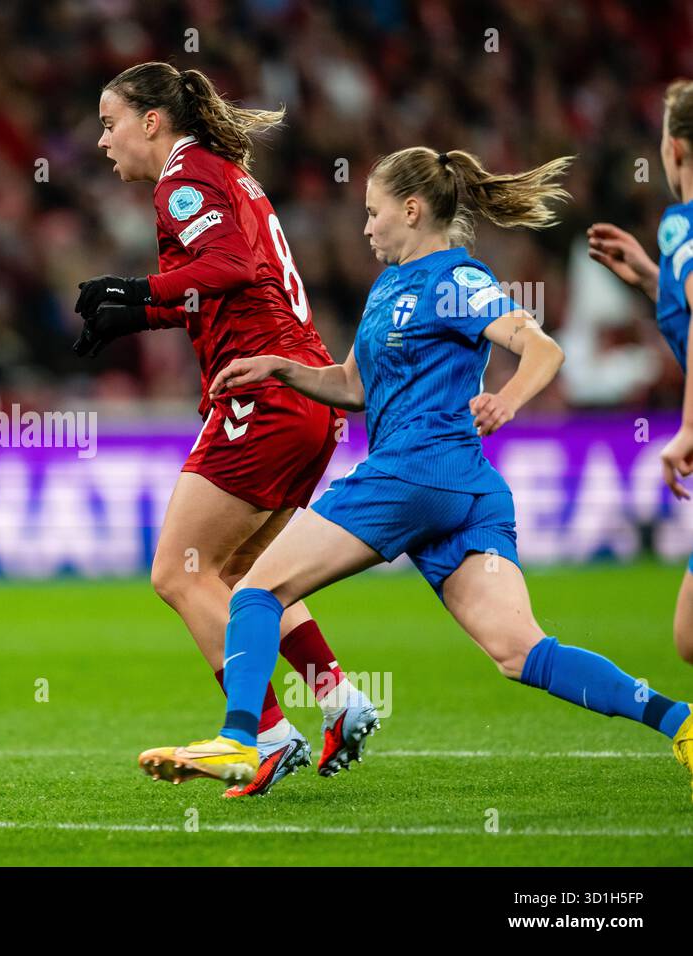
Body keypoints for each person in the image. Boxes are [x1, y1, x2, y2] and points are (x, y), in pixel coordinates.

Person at [184, 144, 693, 800]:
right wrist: (283, 370)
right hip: (462, 495)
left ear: (413, 209)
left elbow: (542, 346)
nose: (365, 227)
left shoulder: (457, 278)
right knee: (521, 651)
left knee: (254, 591)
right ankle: (680, 721)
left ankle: (241, 739)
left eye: (374, 213)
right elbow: (350, 384)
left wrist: (507, 399)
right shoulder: (387, 288)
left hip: (411, 475)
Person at [72, 61, 377, 793]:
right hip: (308, 393)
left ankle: (263, 735)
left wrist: (137, 286)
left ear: (151, 121)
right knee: (248, 572)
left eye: (110, 122)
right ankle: (341, 698)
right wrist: (135, 314)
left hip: (261, 395)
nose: (102, 140)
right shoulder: (224, 174)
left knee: (178, 573)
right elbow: (221, 286)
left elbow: (231, 265)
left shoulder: (183, 179)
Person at [588, 78, 693, 667]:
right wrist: (659, 280)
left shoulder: (682, 224)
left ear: (674, 148)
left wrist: (687, 426)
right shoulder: (680, 247)